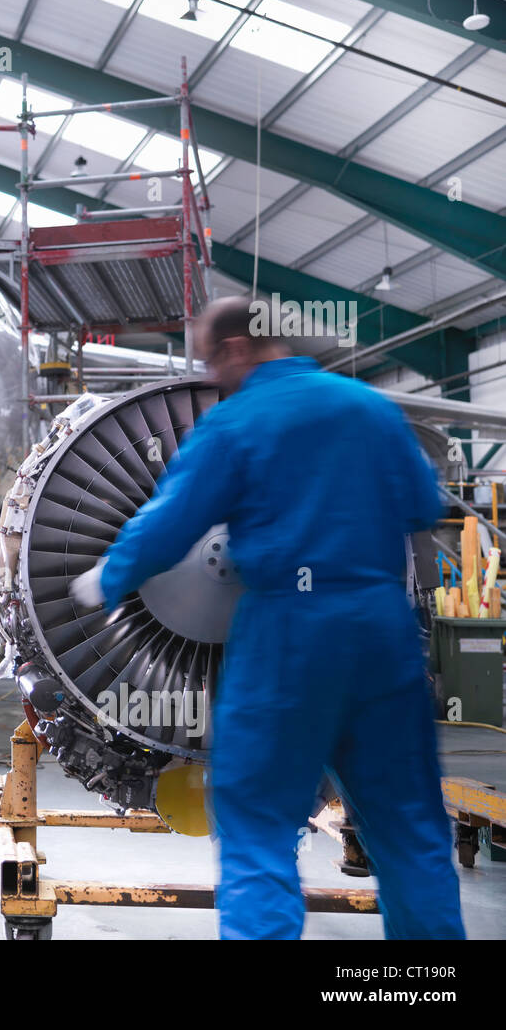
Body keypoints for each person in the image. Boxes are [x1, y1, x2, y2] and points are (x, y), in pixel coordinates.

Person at [71, 296, 464, 940]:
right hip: (381, 633)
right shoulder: (370, 408)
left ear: (233, 349)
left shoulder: (237, 423)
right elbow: (423, 504)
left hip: (288, 637)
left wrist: (105, 578)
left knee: (257, 827)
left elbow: (171, 523)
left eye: (208, 361)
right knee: (410, 827)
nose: (209, 376)